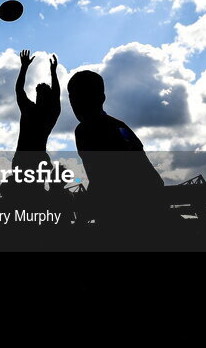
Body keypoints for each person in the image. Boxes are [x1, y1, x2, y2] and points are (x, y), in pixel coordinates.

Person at [67, 70, 163, 229]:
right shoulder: (119, 126)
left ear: (101, 98)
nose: (75, 104)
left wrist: (83, 217)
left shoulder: (86, 130)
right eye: (72, 98)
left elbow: (102, 178)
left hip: (125, 214)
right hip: (147, 205)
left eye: (81, 97)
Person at [0, 49, 61, 200]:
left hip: (27, 158)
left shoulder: (43, 113)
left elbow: (55, 93)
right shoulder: (41, 112)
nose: (39, 96)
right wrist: (24, 67)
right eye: (39, 93)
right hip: (28, 158)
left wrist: (52, 72)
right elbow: (19, 90)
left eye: (41, 94)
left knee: (27, 194)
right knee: (31, 193)